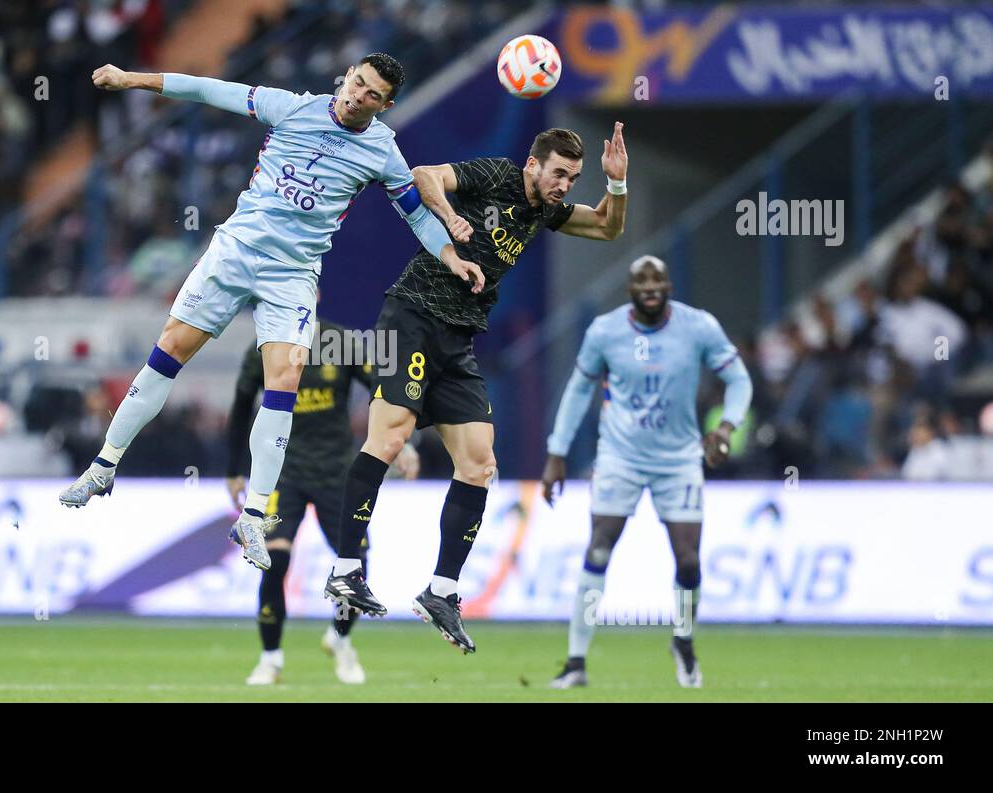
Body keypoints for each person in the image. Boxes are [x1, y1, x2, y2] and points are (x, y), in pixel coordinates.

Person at [60, 54, 480, 573]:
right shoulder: (292, 108)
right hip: (236, 251)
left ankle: (255, 516)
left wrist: (450, 256)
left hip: (293, 273)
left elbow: (416, 214)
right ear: (345, 75)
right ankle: (104, 464)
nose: (357, 97)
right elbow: (206, 89)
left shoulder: (382, 151)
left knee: (286, 376)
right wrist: (131, 79)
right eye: (356, 83)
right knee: (171, 349)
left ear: (385, 105)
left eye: (372, 95)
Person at [324, 124, 629, 653]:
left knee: (479, 462)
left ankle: (441, 591)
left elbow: (606, 228)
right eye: (559, 173)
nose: (565, 185)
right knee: (390, 437)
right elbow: (424, 177)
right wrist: (451, 217)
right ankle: (346, 569)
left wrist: (617, 185)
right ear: (533, 165)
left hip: (458, 338)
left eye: (574, 177)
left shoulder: (545, 212)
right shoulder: (495, 176)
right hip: (413, 315)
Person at [540, 255, 753, 689]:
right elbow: (578, 391)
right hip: (620, 456)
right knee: (599, 547)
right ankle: (576, 661)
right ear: (630, 289)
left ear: (669, 285)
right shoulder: (604, 331)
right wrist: (556, 452)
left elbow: (740, 381)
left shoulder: (699, 327)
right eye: (642, 280)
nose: (651, 286)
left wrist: (726, 427)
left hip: (679, 459)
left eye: (658, 279)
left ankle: (683, 639)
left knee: (689, 559)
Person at [226, 318, 418, 684]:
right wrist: (233, 469)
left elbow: (381, 388)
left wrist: (401, 440)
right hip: (284, 473)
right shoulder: (266, 345)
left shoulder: (337, 340)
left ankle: (340, 639)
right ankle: (270, 659)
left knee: (355, 565)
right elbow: (240, 406)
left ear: (314, 294)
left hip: (338, 473)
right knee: (275, 559)